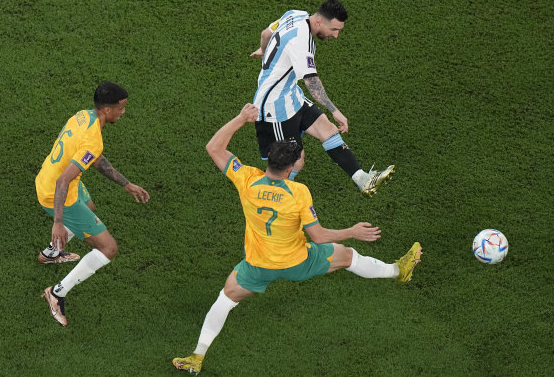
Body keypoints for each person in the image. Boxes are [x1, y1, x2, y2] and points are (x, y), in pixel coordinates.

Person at [172, 104, 422, 374]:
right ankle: (399, 271)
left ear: (269, 158)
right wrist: (352, 231)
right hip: (297, 262)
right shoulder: (298, 193)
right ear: (291, 165)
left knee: (226, 299)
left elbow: (214, 148)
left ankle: (197, 357)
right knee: (347, 256)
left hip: (257, 265)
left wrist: (242, 119)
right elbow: (318, 235)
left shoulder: (247, 180)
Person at [250, 0, 394, 196]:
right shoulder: (301, 41)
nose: (335, 35)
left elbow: (266, 34)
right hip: (274, 108)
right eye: (334, 29)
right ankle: (275, 197)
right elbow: (313, 84)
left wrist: (264, 51)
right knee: (295, 161)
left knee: (327, 128)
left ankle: (363, 180)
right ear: (319, 22)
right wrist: (335, 111)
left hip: (291, 94)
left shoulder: (295, 14)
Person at [35, 81, 150, 327]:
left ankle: (51, 253)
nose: (123, 112)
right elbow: (64, 181)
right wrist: (58, 222)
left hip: (49, 177)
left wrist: (126, 184)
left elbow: (93, 158)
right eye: (121, 108)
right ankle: (56, 293)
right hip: (58, 191)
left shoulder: (82, 117)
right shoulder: (93, 139)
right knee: (108, 248)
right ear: (107, 110)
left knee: (90, 208)